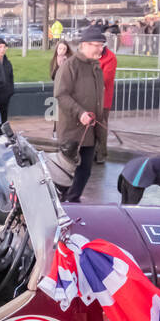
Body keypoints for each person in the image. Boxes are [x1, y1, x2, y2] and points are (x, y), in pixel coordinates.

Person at [53, 26, 108, 202]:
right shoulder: (70, 66)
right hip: (72, 130)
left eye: (102, 45)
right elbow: (61, 94)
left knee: (85, 170)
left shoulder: (96, 67)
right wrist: (80, 113)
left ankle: (73, 201)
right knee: (66, 171)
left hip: (91, 129)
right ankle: (61, 203)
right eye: (97, 45)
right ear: (84, 45)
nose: (100, 49)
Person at [95, 39, 117, 163]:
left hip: (103, 99)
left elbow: (105, 78)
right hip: (90, 96)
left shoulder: (110, 58)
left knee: (101, 126)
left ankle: (101, 154)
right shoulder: (90, 55)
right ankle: (91, 152)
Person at [0, 38, 14, 126]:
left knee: (4, 121)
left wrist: (10, 92)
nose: (2, 49)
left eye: (4, 47)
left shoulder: (8, 63)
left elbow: (10, 79)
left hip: (5, 99)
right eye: (0, 47)